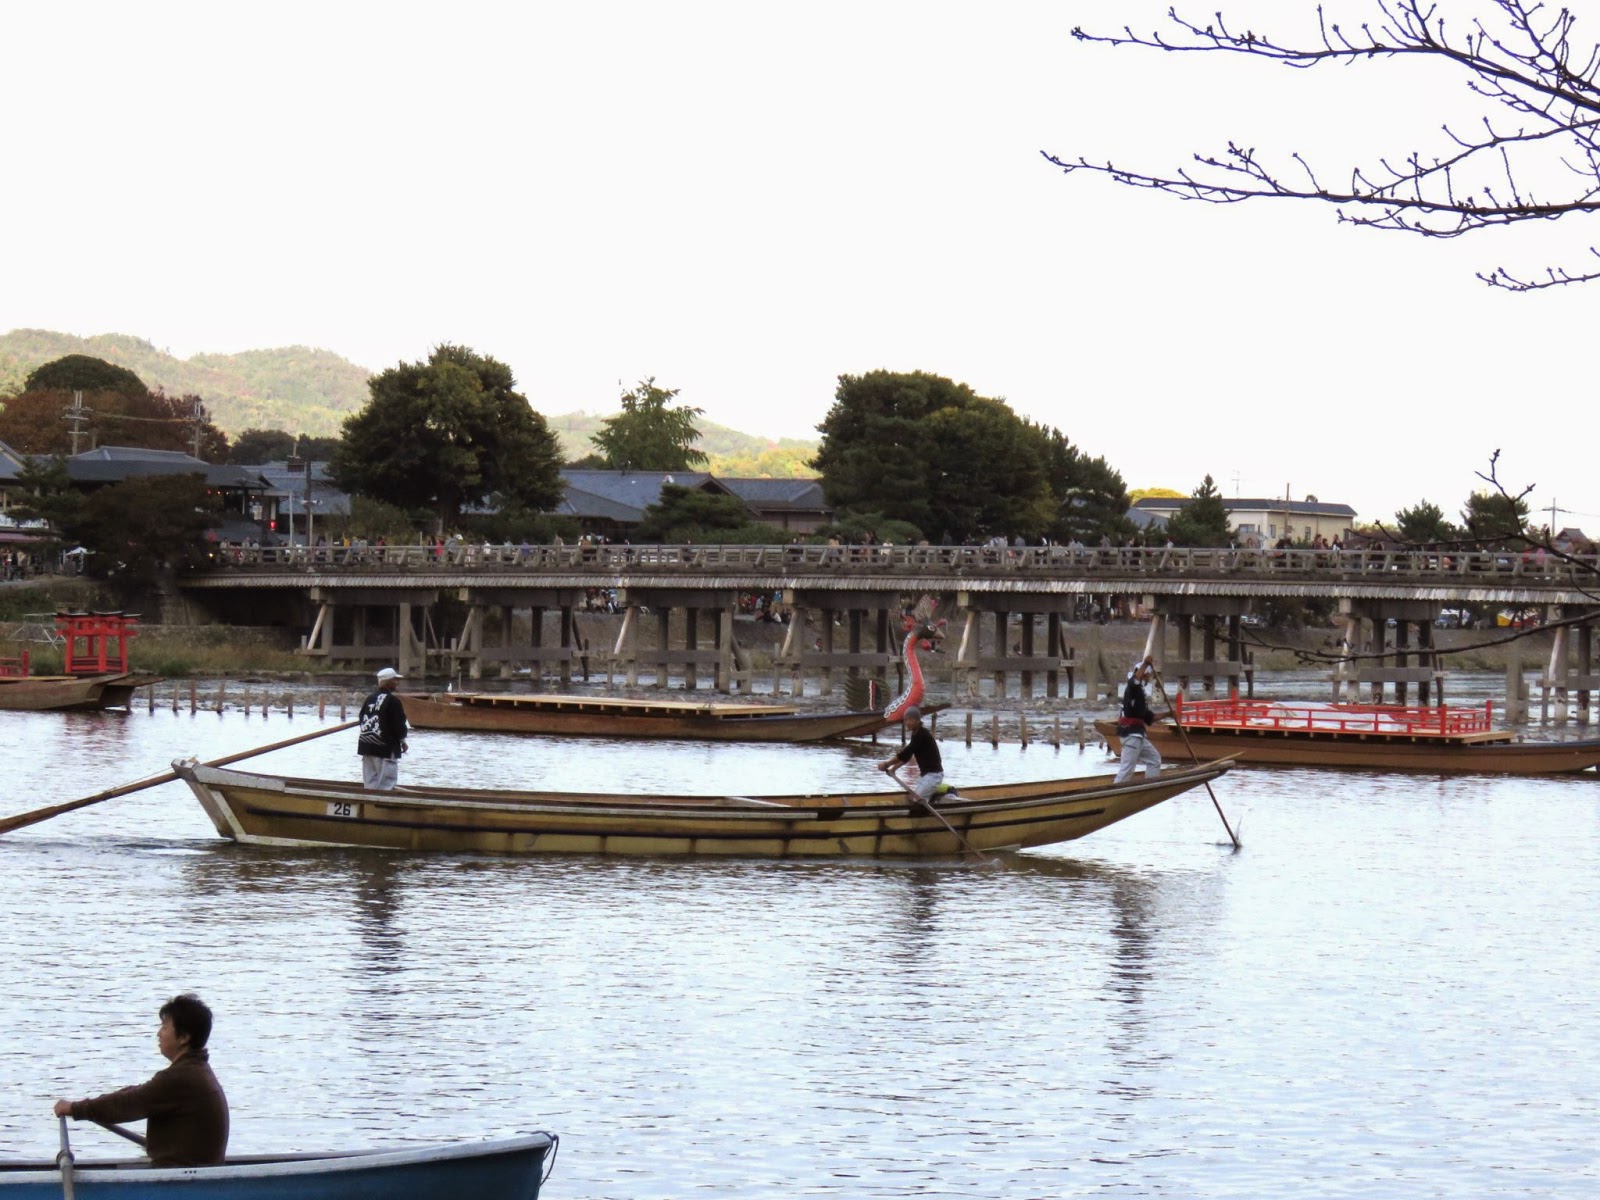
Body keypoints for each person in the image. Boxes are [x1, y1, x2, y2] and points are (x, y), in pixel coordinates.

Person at [53, 993, 229, 1168]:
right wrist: (87, 1107)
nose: (159, 1034)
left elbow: (127, 1104)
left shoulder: (183, 1077)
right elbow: (139, 1093)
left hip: (184, 1177)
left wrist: (75, 1109)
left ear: (184, 1037)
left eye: (165, 1027)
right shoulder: (194, 1071)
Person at [878, 706, 945, 804]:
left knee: (918, 800)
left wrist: (887, 764)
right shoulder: (916, 734)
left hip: (933, 776)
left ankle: (922, 816)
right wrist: (894, 769)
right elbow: (908, 756)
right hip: (926, 775)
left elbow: (905, 753)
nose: (907, 722)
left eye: (910, 719)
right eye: (906, 720)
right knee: (914, 798)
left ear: (918, 721)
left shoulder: (922, 735)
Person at [357, 666, 409, 791]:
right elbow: (399, 724)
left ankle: (369, 805)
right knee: (386, 783)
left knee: (370, 782)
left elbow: (361, 718)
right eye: (395, 680)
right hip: (385, 747)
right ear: (389, 682)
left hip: (366, 746)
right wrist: (403, 741)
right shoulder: (393, 701)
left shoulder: (369, 699)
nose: (397, 683)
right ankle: (381, 807)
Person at [1114, 657, 1164, 784]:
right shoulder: (1132, 689)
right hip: (1131, 735)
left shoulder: (1140, 696)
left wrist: (1169, 714)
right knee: (1127, 771)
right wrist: (1146, 664)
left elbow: (1149, 718)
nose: (1149, 678)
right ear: (1144, 674)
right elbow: (1134, 681)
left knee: (1155, 760)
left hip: (1138, 736)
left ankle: (1149, 787)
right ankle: (1114, 794)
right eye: (1148, 675)